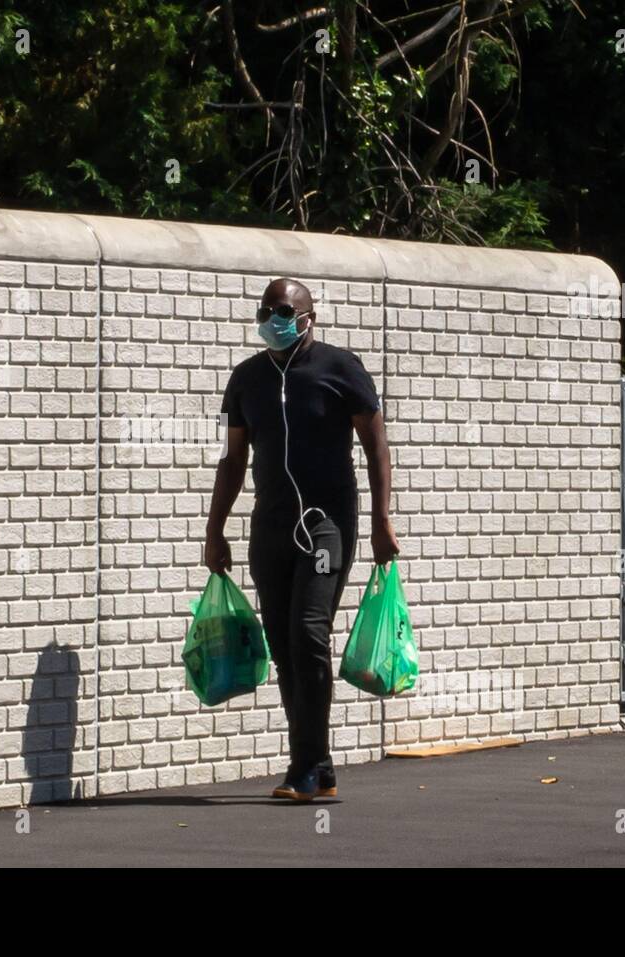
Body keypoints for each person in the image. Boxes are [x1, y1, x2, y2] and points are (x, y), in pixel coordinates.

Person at [204, 277, 399, 801]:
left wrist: (382, 520)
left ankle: (305, 769)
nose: (273, 318)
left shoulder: (341, 368)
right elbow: (233, 458)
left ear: (308, 316)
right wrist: (214, 529)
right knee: (285, 646)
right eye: (266, 310)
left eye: (283, 310)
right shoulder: (246, 379)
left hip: (326, 524)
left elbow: (377, 447)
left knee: (310, 632)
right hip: (270, 527)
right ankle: (318, 765)